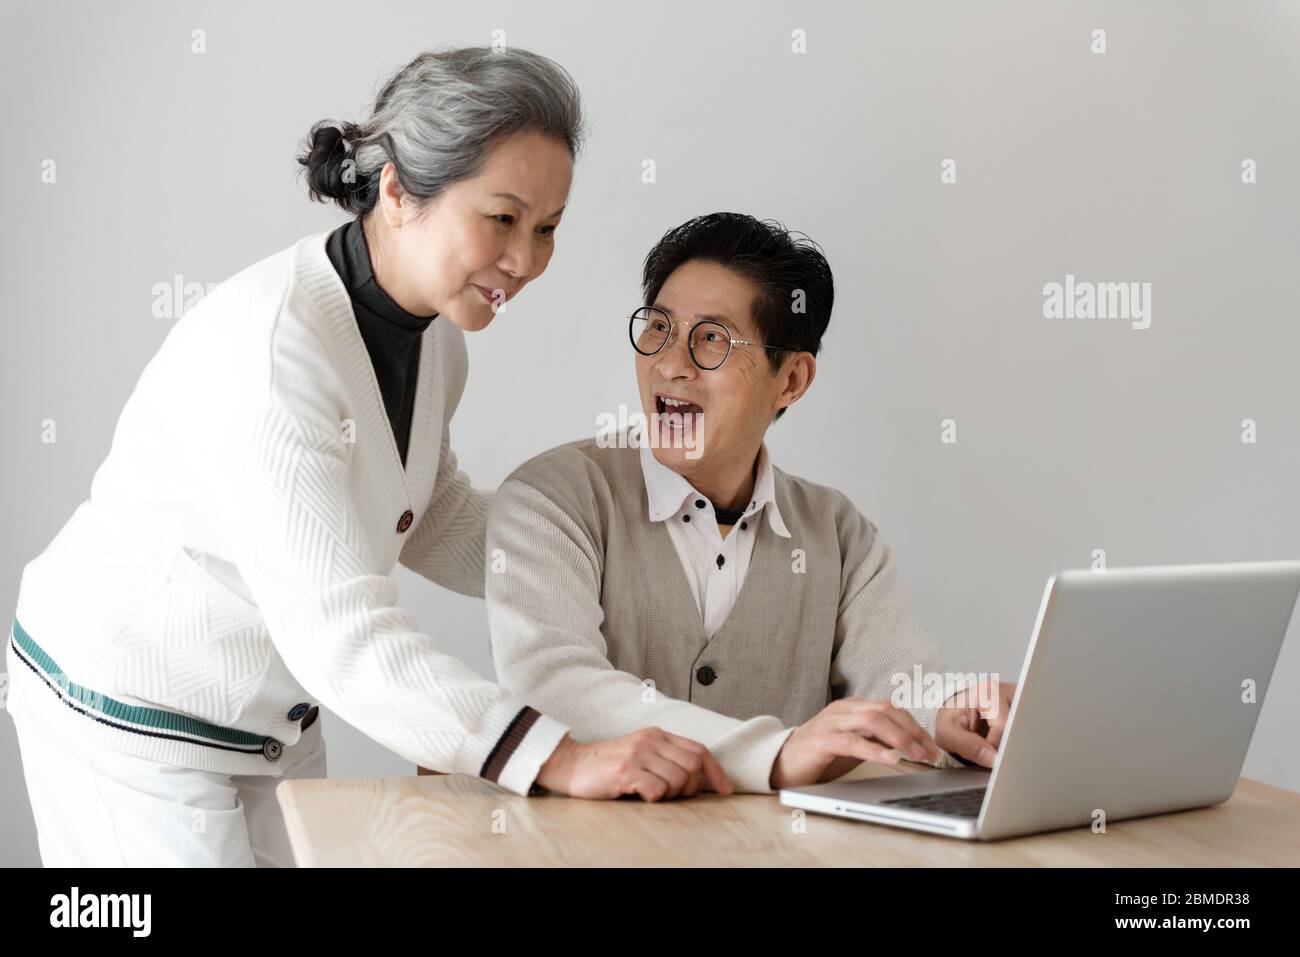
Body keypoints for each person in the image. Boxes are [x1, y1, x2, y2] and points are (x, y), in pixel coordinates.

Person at [4, 47, 730, 869]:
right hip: (128, 716)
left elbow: (426, 508)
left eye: (548, 228)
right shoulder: (276, 354)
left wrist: (603, 554)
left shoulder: (438, 339)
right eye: (502, 218)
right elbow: (340, 635)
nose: (526, 260)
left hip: (268, 727)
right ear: (397, 190)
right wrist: (553, 756)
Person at [486, 212, 1015, 794]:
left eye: (711, 338)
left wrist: (954, 713)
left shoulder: (838, 534)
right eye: (658, 327)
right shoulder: (551, 500)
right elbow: (553, 687)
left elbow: (900, 688)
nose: (670, 364)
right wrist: (775, 753)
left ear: (790, 381)